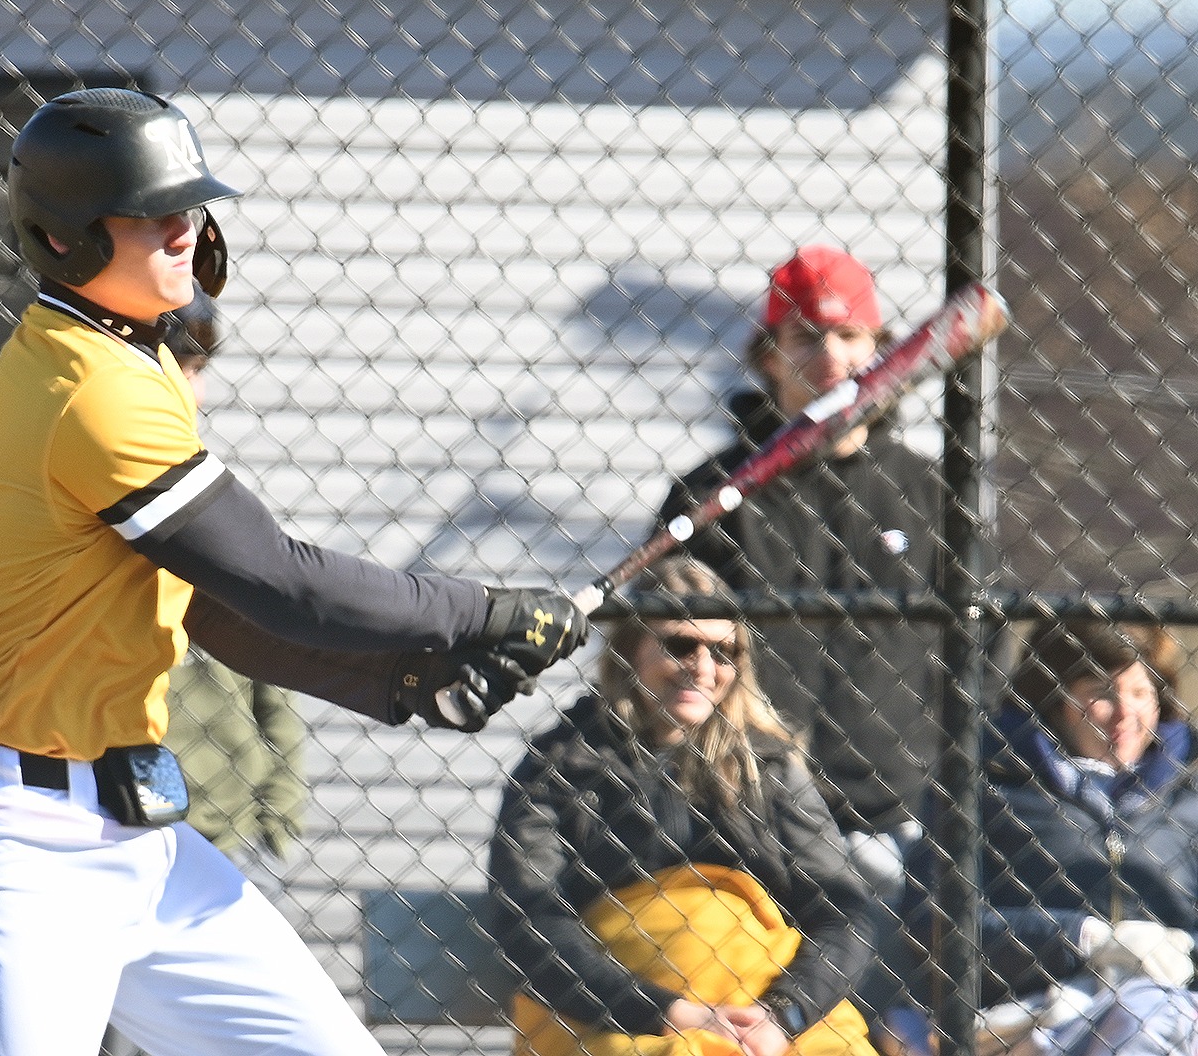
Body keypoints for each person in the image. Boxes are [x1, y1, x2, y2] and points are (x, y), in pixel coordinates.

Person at [0, 87, 588, 1056]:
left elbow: (204, 604)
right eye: (150, 213)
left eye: (189, 208)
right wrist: (479, 613)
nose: (184, 228)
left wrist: (397, 680)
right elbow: (278, 579)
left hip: (131, 835)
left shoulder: (139, 359)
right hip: (3, 837)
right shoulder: (91, 389)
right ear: (72, 237)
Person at [490, 556, 876, 1056]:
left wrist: (784, 1014)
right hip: (621, 1014)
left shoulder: (769, 766)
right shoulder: (562, 766)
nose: (703, 668)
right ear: (630, 649)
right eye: (680, 645)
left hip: (761, 1010)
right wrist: (670, 1012)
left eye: (724, 651)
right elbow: (530, 919)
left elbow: (842, 912)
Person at [658, 245, 942, 898]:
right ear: (769, 355)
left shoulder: (928, 492)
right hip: (742, 809)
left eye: (850, 336)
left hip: (898, 812)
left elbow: (976, 653)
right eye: (807, 337)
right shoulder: (712, 494)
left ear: (882, 350)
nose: (832, 358)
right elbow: (658, 645)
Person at [895, 618, 1198, 1056]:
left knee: (1156, 1015)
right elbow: (931, 922)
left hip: (1172, 1006)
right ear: (1055, 697)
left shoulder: (1189, 793)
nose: (1126, 714)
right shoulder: (984, 783)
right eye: (1101, 692)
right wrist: (1085, 938)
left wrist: (1183, 946)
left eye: (1141, 692)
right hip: (1029, 1014)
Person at [161, 294, 309, 881]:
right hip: (119, 816)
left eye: (201, 371)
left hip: (227, 823)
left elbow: (276, 691)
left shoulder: (214, 522)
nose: (197, 394)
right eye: (185, 370)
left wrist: (280, 808)